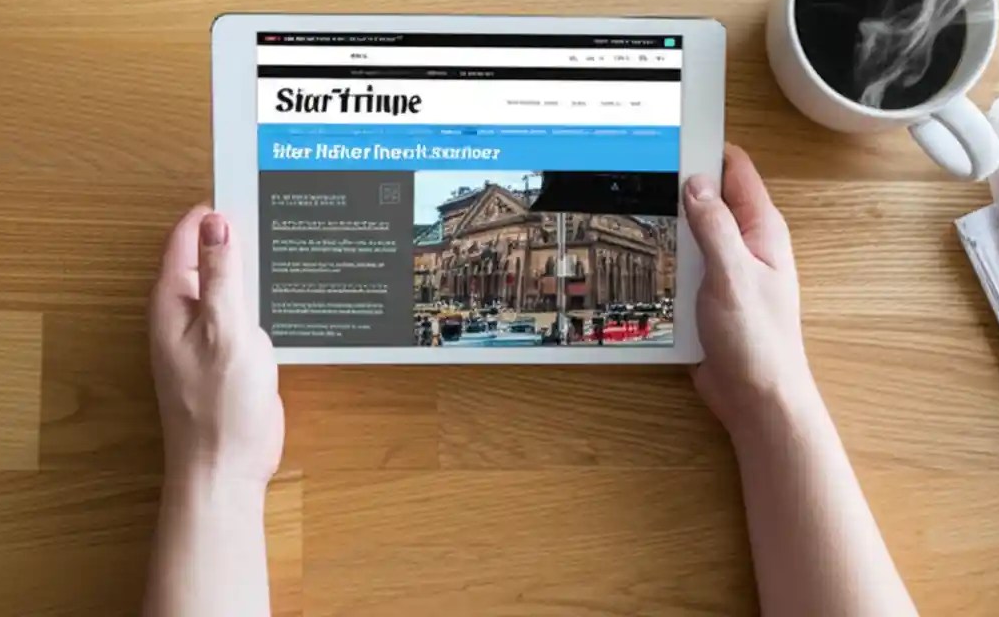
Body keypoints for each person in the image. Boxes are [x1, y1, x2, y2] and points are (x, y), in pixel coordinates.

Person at [142, 145, 917, 617]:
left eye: (466, 226)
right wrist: (774, 395)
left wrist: (216, 465)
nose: (462, 237)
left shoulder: (570, 234)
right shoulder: (464, 239)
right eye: (456, 229)